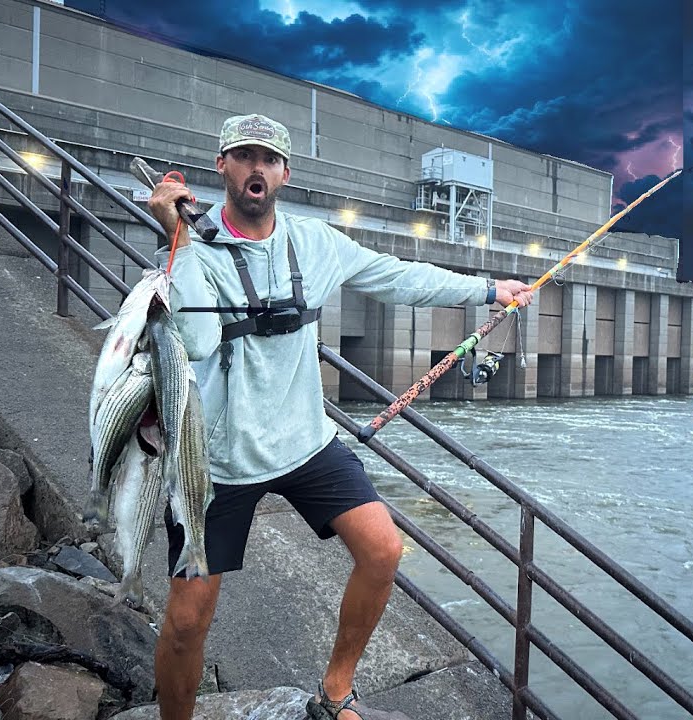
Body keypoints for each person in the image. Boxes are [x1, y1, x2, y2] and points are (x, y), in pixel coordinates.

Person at [145, 113, 533, 720]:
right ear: (222, 165)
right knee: (188, 619)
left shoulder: (316, 243)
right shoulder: (194, 250)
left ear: (285, 174)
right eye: (244, 156)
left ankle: (336, 689)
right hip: (212, 459)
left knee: (383, 551)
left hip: (305, 442)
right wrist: (179, 240)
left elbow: (399, 276)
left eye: (268, 159)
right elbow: (191, 341)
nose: (257, 168)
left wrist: (487, 290)